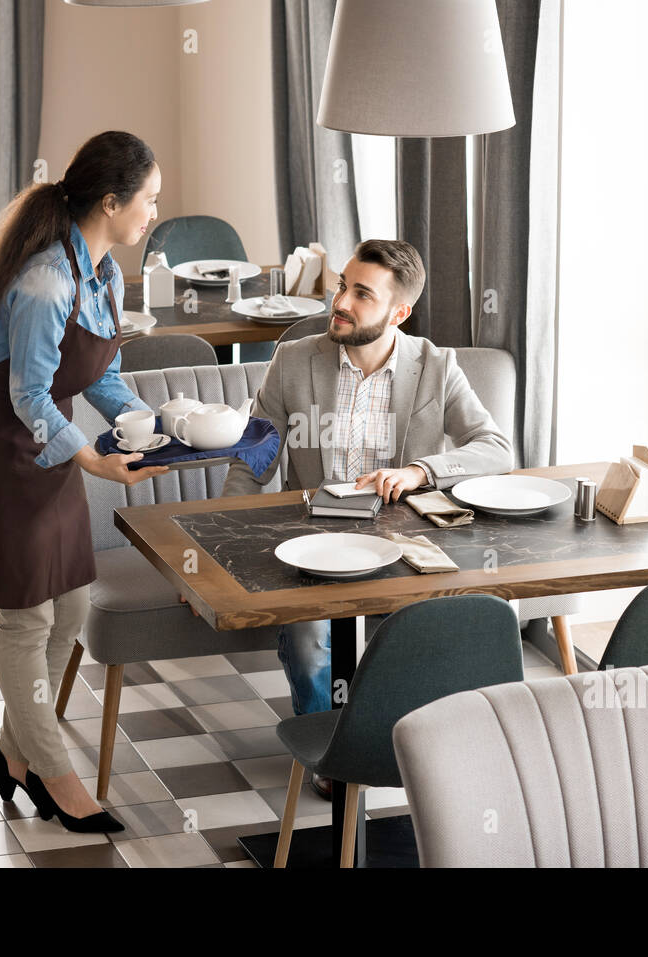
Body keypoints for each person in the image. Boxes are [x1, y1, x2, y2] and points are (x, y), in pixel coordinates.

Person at [219, 239, 513, 798]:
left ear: (399, 312)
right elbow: (253, 461)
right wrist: (220, 555)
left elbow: (496, 447)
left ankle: (423, 752)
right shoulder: (293, 359)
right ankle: (331, 755)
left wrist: (422, 470)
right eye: (341, 287)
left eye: (361, 293)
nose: (341, 302)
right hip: (312, 545)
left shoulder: (436, 365)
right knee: (309, 644)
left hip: (402, 546)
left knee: (458, 628)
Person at [0, 131, 169, 833]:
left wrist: (150, 423)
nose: (154, 214)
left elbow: (98, 375)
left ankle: (12, 754)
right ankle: (58, 774)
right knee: (28, 620)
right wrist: (95, 460)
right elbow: (29, 395)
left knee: (70, 611)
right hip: (8, 465)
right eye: (149, 200)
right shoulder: (47, 280)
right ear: (111, 202)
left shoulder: (105, 274)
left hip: (51, 463)